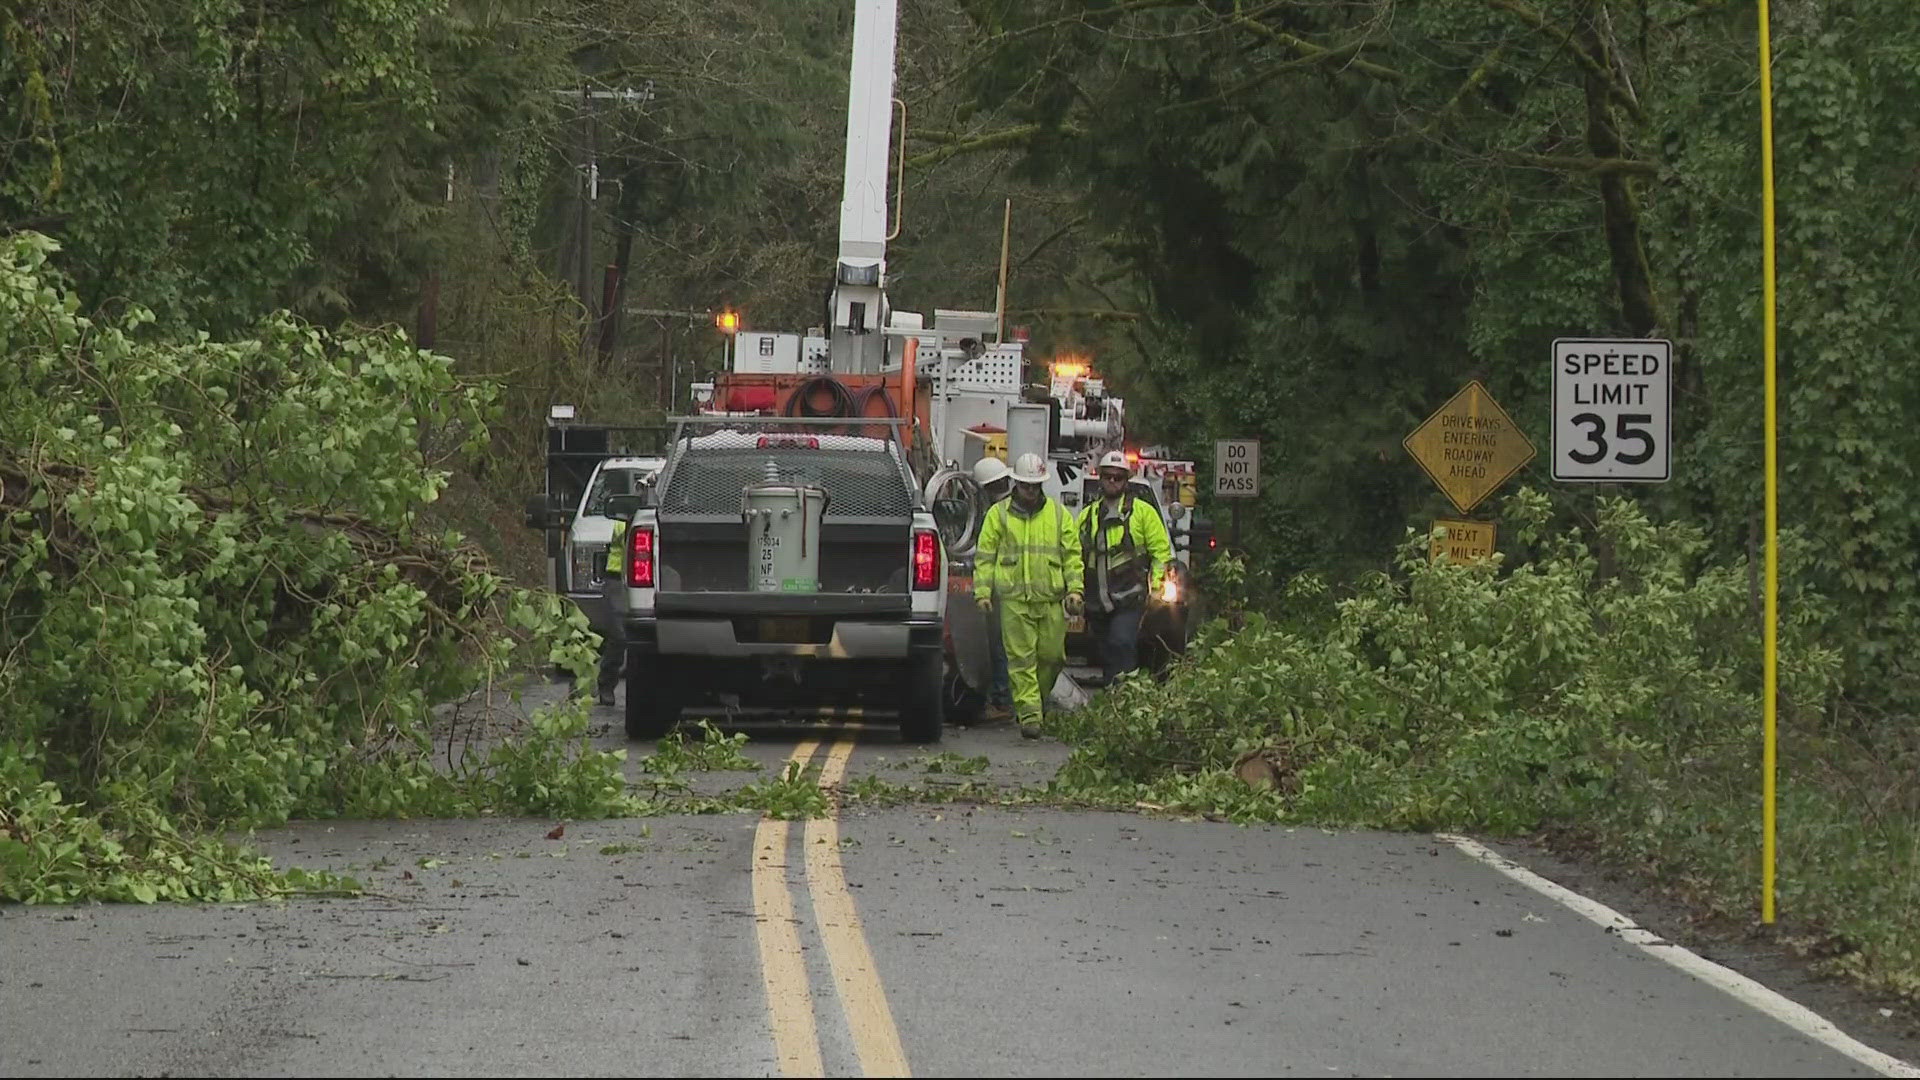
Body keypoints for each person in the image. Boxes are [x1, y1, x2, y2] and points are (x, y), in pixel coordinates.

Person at [974, 453, 1082, 739]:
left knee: (1052, 657)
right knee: (1021, 661)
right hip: (1014, 601)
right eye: (1025, 486)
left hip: (1050, 599)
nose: (1030, 491)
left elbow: (1072, 556)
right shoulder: (998, 515)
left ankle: (1037, 701)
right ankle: (1030, 714)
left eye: (1035, 486)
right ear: (1016, 483)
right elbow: (985, 557)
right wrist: (982, 592)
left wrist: (1075, 590)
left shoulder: (1059, 516)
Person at [1077, 450, 1172, 686]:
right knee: (1107, 652)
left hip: (1130, 598)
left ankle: (1124, 696)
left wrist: (1157, 586)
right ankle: (1115, 697)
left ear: (1125, 481)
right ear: (1100, 478)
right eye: (1108, 476)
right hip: (1096, 602)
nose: (1112, 481)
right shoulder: (1088, 516)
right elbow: (1073, 555)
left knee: (1121, 642)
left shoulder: (1143, 513)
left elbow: (1161, 552)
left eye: (1118, 477)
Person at [971, 455, 1015, 722]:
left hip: (1002, 590)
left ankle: (1002, 702)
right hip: (1018, 590)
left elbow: (985, 554)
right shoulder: (1016, 509)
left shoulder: (994, 514)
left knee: (1000, 649)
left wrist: (983, 590)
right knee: (1016, 650)